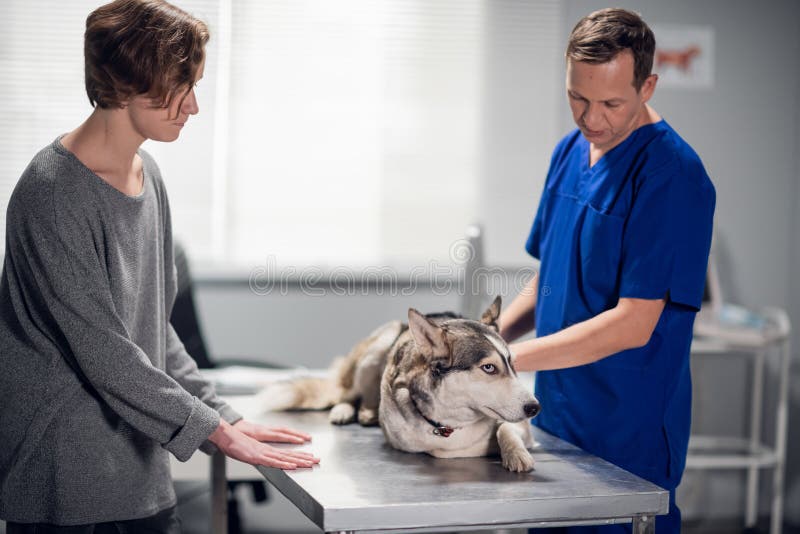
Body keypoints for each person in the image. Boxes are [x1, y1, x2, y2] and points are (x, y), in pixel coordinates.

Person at [0, 1, 318, 531]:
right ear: (124, 84)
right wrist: (215, 432)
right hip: (67, 483)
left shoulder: (147, 174)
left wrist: (225, 414)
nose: (192, 106)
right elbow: (107, 353)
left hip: (137, 474)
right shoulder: (53, 194)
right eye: (181, 86)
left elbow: (153, 325)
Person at [498, 8, 715, 533]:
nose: (592, 119)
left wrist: (504, 362)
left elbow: (633, 322)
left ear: (648, 85)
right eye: (578, 97)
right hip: (554, 420)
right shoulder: (568, 152)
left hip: (626, 433)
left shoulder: (673, 177)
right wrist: (479, 345)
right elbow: (549, 279)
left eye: (612, 103)